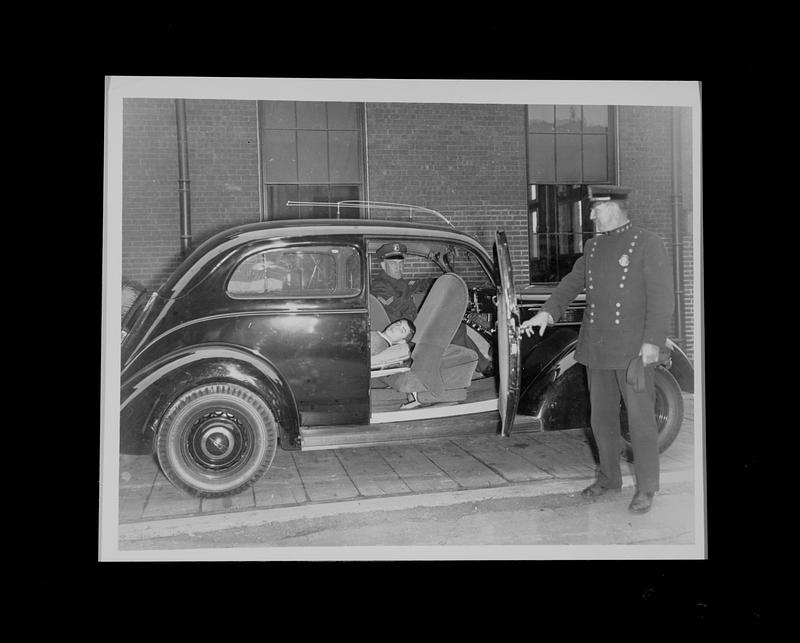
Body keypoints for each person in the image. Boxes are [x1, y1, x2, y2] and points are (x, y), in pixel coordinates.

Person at [520, 185, 674, 515]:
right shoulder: (593, 246)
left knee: (640, 420)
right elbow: (572, 284)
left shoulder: (648, 243)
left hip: (633, 350)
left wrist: (653, 342)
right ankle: (609, 478)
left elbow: (662, 298)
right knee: (601, 418)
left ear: (615, 207)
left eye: (596, 208)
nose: (590, 215)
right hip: (598, 347)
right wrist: (548, 311)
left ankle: (647, 488)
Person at [371, 242, 493, 375]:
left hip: (412, 327)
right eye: (393, 264)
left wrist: (442, 280)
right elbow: (401, 305)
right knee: (453, 327)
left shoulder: (397, 281)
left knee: (456, 325)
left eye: (401, 263)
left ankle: (479, 364)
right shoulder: (380, 286)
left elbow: (416, 284)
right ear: (383, 265)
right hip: (405, 333)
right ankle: (482, 366)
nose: (398, 267)